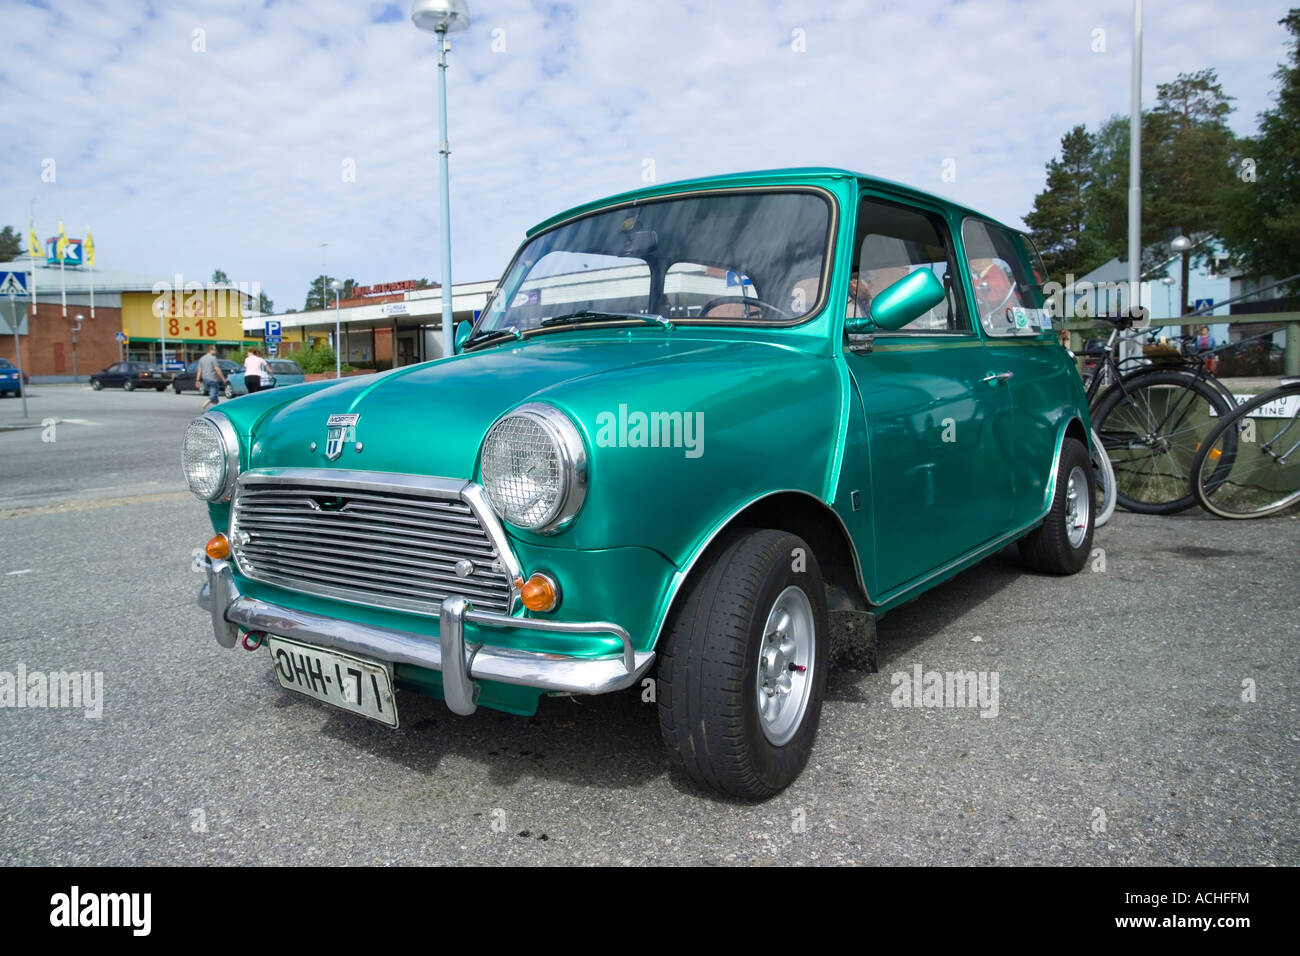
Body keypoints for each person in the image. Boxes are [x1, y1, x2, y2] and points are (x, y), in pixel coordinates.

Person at [196, 345, 227, 411]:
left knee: (215, 396)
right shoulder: (213, 358)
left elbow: (199, 370)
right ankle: (203, 406)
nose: (215, 351)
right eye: (214, 350)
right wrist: (223, 379)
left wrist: (197, 380)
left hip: (205, 379)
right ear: (210, 350)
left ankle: (217, 409)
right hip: (213, 379)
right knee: (213, 395)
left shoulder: (202, 358)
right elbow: (217, 369)